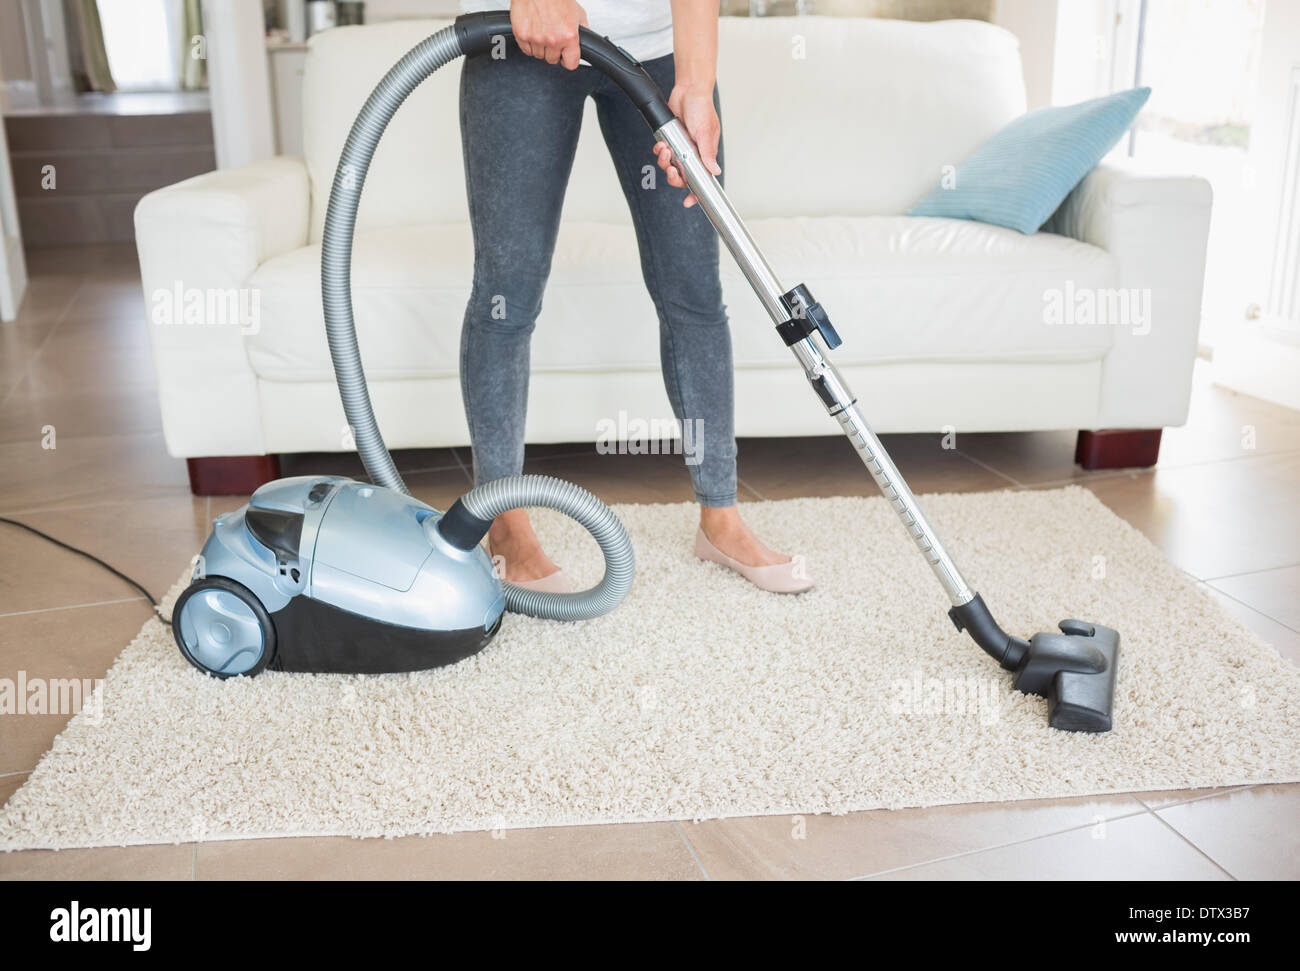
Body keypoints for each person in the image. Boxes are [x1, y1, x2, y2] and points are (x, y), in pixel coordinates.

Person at [458, 0, 813, 594]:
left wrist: (696, 85)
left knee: (693, 289)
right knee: (507, 296)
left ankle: (720, 517)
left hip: (658, 48)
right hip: (520, 38)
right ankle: (503, 521)